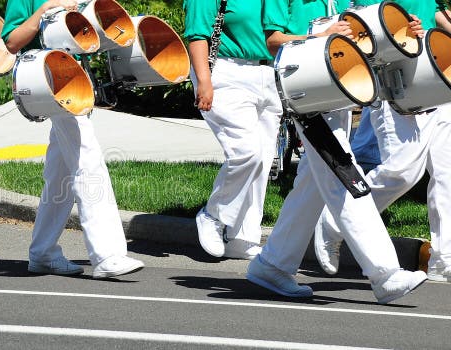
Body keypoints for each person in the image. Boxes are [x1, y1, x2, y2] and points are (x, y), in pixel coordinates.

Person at [246, 0, 428, 304]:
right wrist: (321, 37)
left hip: (339, 93)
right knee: (344, 178)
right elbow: (273, 42)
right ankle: (385, 274)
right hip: (308, 95)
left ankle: (273, 265)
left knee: (311, 187)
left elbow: (369, 39)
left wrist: (403, 32)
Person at [1, 0, 144, 278]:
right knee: (88, 162)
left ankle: (42, 253)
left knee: (61, 174)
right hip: (49, 80)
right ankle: (107, 255)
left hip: (76, 81)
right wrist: (44, 10)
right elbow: (12, 41)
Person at [314, 0, 451, 283]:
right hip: (394, 80)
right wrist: (400, 29)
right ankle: (337, 219)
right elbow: (355, 23)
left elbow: (434, 12)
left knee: (448, 174)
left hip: (435, 74)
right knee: (402, 171)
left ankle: (444, 260)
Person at [184, 0, 281, 260]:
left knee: (262, 161)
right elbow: (197, 35)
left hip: (269, 74)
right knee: (246, 152)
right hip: (227, 72)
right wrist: (204, 81)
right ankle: (213, 215)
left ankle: (243, 237)